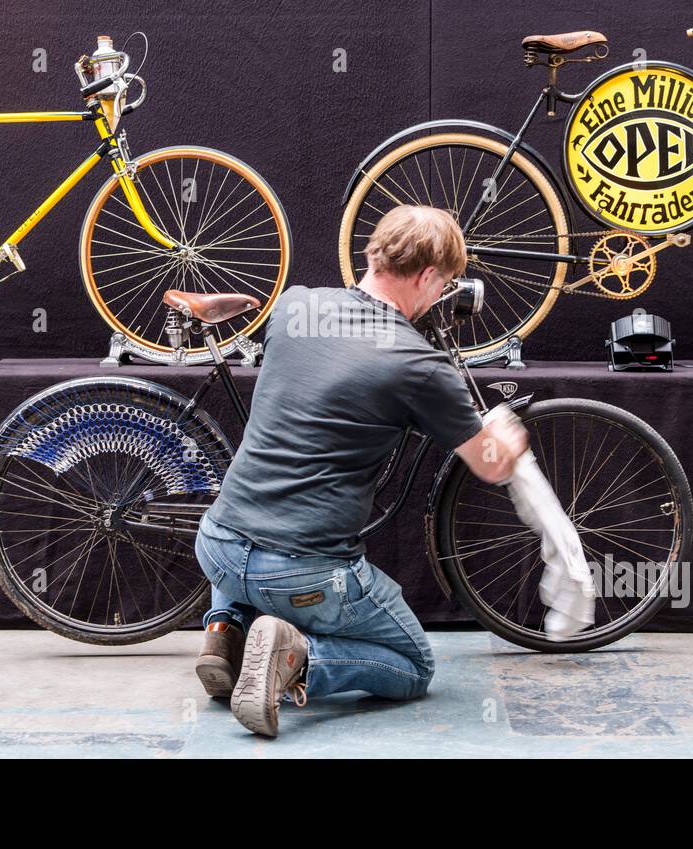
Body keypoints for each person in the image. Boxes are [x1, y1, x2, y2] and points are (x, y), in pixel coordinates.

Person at [193, 204, 528, 737]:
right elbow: (490, 465)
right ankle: (298, 657)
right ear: (425, 277)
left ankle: (224, 628)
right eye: (443, 285)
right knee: (416, 666)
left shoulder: (293, 305)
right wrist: (508, 437)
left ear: (373, 253)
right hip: (304, 576)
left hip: (216, 546)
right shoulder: (419, 366)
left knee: (251, 531)